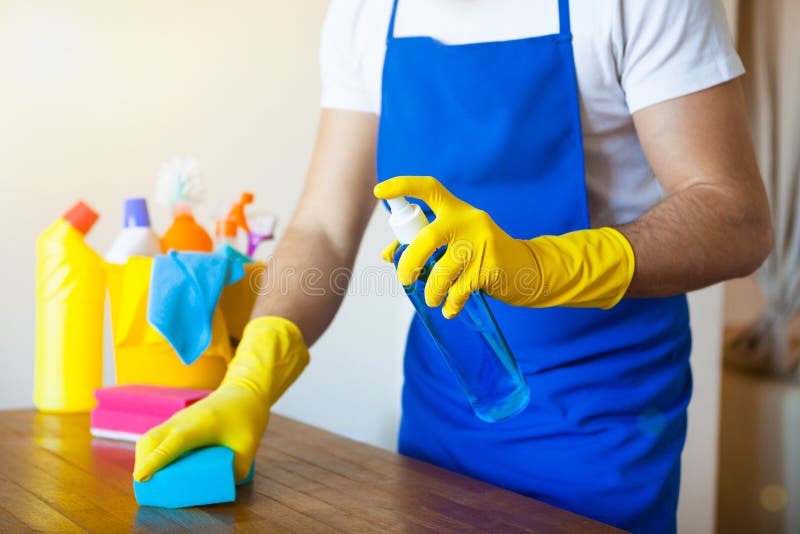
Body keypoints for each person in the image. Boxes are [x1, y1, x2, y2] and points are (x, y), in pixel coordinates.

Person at [133, 1, 772, 531]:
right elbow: (323, 227)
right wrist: (253, 374)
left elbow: (735, 216)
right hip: (442, 419)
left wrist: (542, 266)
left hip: (601, 422)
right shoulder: (366, 11)